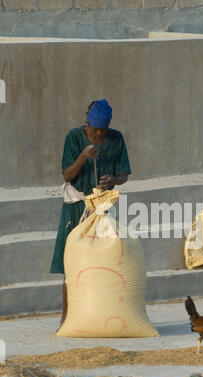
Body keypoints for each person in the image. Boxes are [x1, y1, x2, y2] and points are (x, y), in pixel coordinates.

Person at [50, 99, 131, 327]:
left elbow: (123, 174)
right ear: (87, 123)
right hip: (76, 209)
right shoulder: (74, 138)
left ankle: (101, 317)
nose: (98, 135)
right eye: (95, 130)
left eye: (102, 131)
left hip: (102, 210)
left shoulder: (116, 139)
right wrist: (83, 156)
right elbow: (66, 175)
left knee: (104, 263)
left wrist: (113, 180)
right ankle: (66, 319)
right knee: (72, 264)